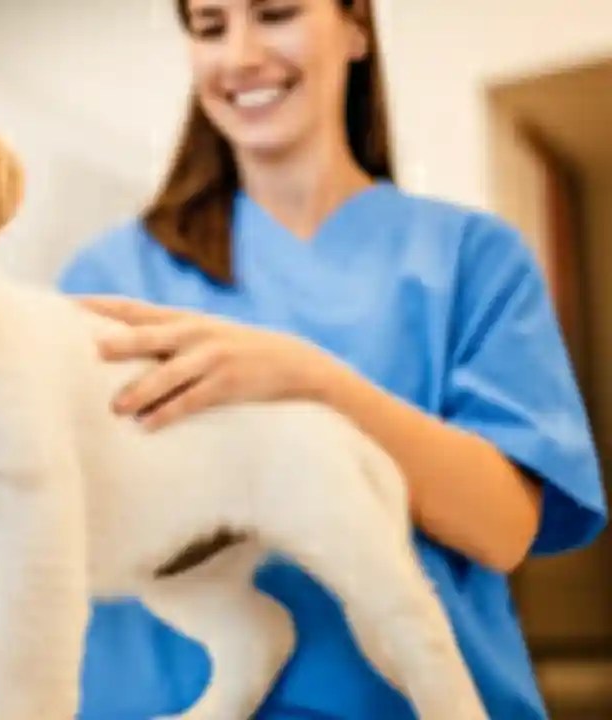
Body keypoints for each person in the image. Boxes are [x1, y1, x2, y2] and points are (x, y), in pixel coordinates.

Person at [57, 0, 608, 717]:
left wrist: (313, 381)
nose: (241, 54)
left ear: (355, 29)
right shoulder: (112, 277)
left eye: (276, 13)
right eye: (210, 26)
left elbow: (504, 529)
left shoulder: (472, 258)